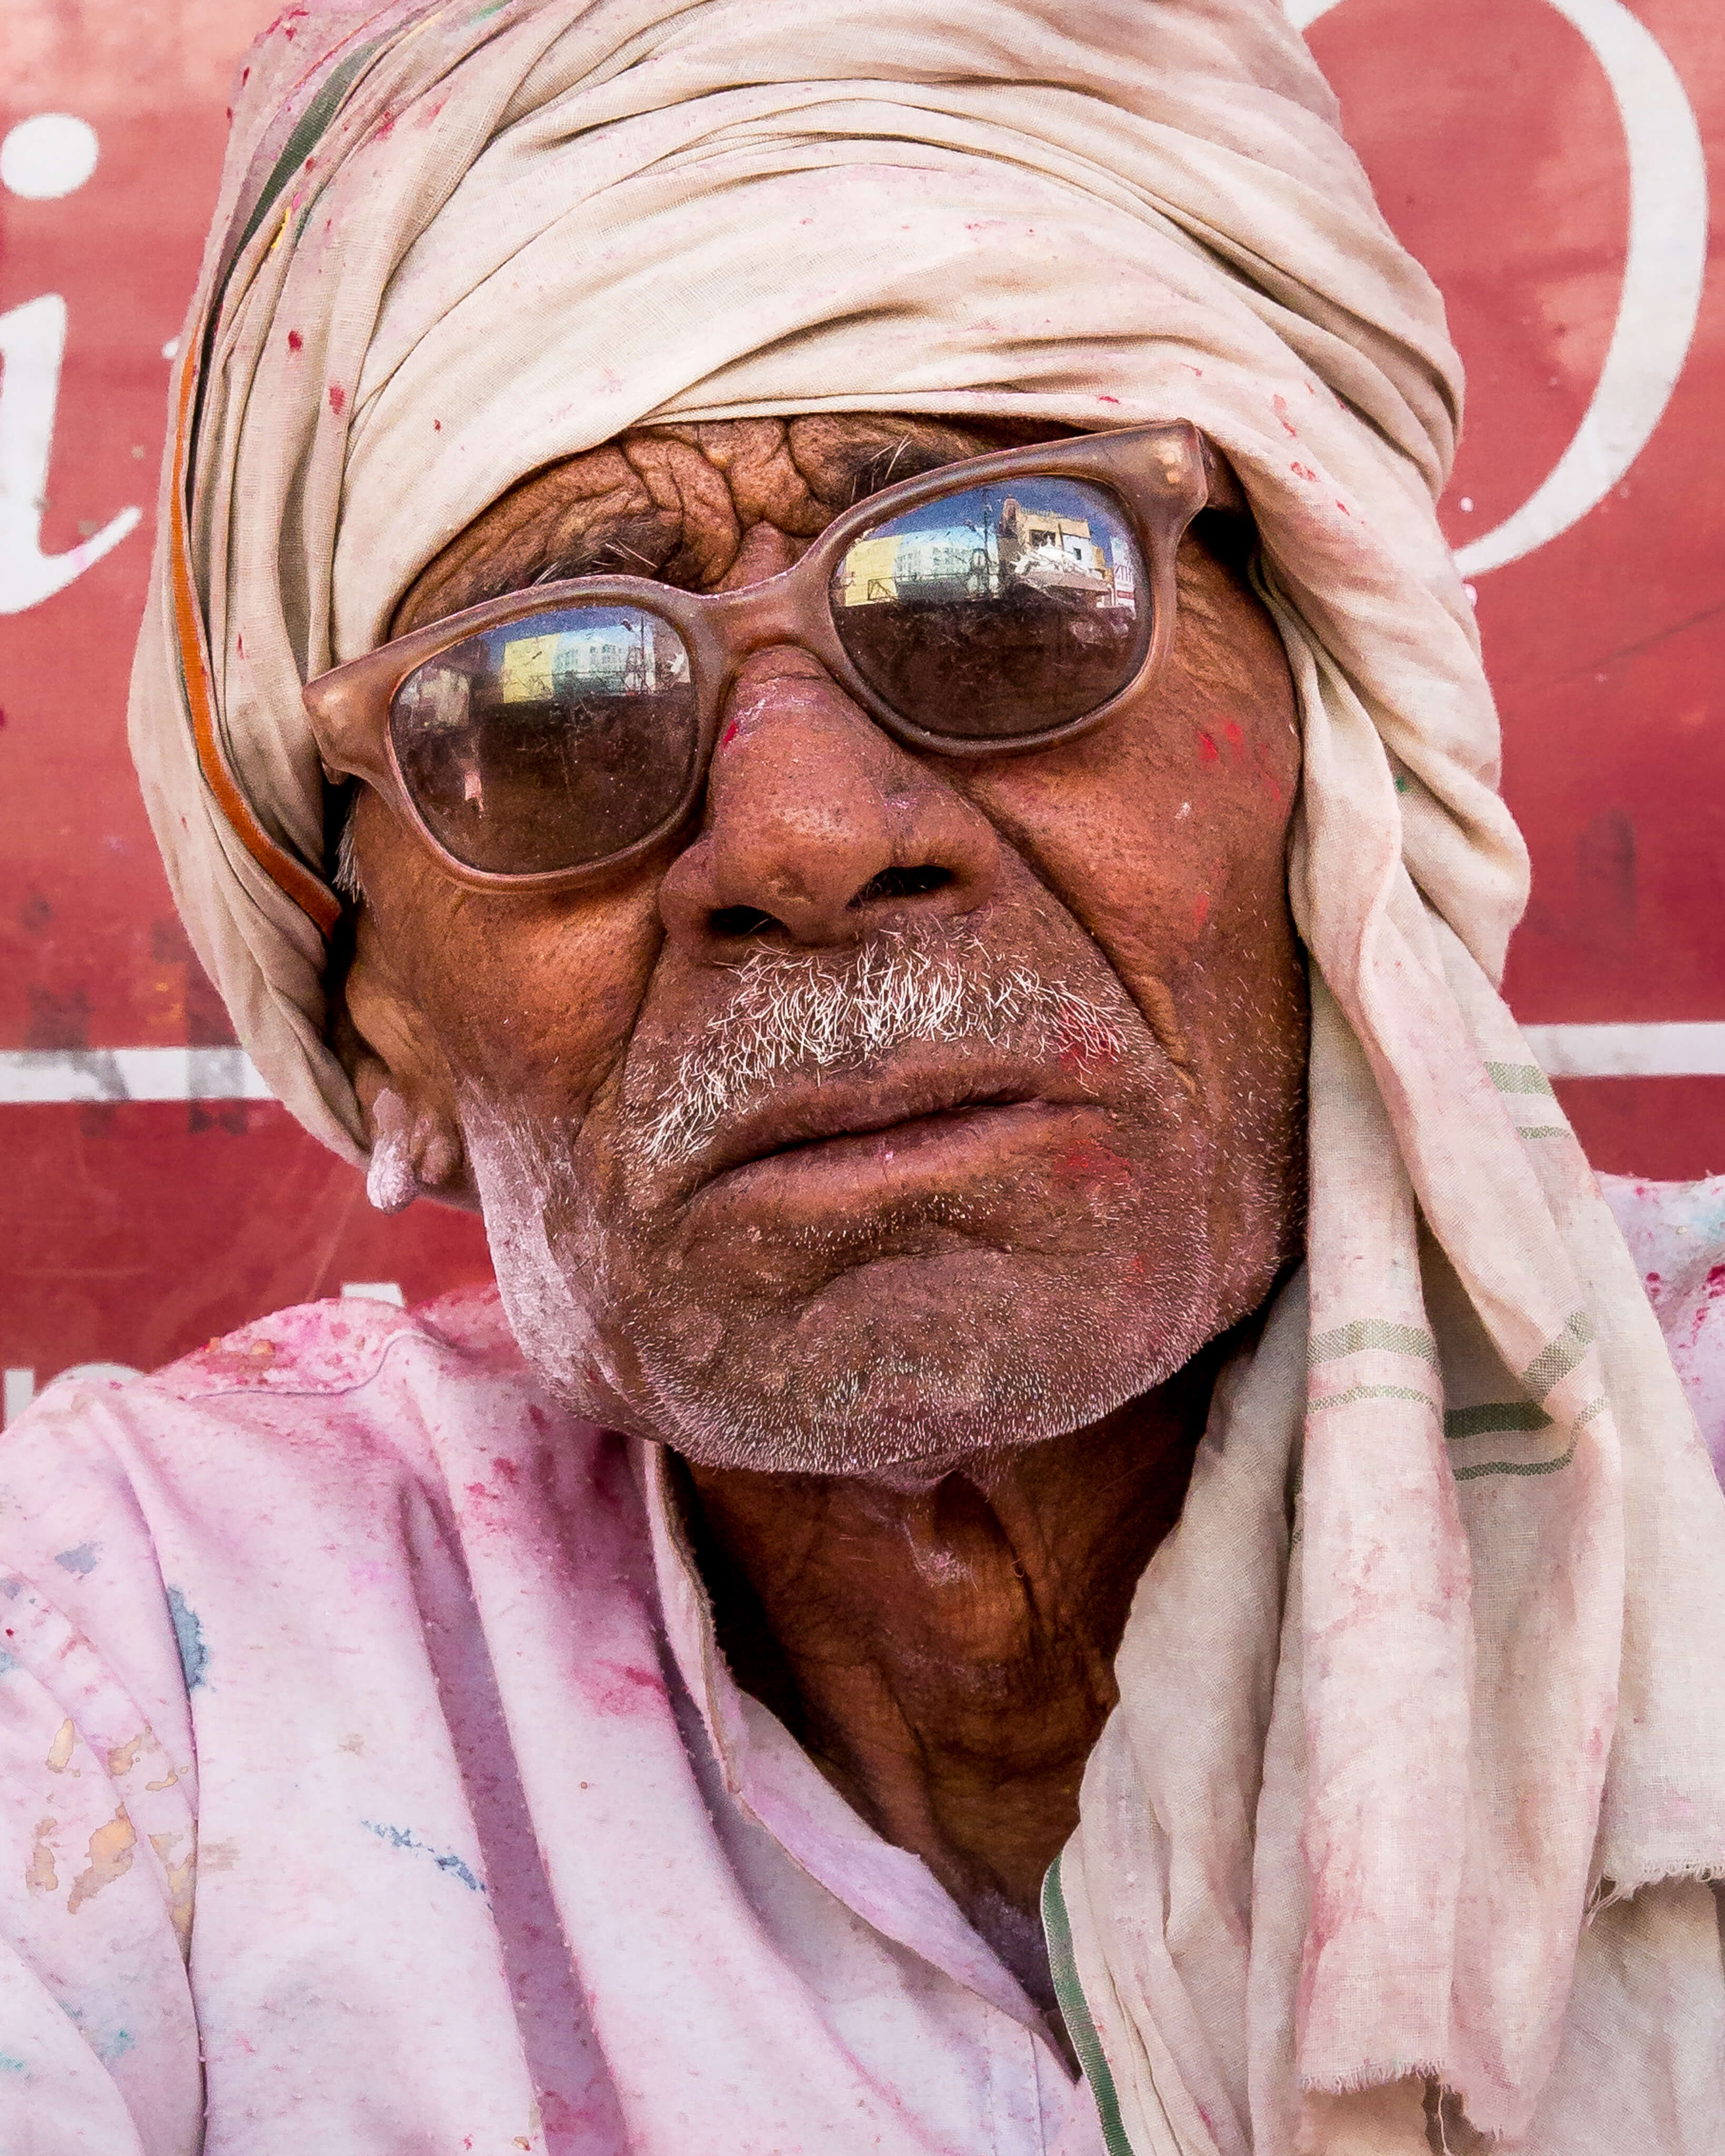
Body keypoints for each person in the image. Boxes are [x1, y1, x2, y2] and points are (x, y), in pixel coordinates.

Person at [4, 2, 1723, 2150]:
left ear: (1335, 754)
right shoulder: (143, 1674)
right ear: (379, 1016)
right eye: (546, 712)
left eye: (997, 590)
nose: (807, 838)